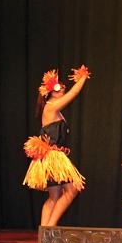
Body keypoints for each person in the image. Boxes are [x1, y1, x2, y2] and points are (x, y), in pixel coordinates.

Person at [22, 67, 89, 226]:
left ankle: (44, 231)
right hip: (53, 157)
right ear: (53, 91)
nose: (63, 88)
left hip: (53, 158)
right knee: (72, 190)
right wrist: (83, 78)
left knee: (54, 196)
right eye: (59, 87)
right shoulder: (51, 107)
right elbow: (73, 94)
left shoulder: (53, 108)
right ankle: (50, 228)